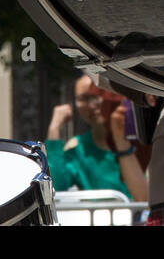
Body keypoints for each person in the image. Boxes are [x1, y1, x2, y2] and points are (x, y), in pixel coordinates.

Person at [45, 74, 147, 203]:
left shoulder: (142, 138)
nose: (93, 104)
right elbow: (55, 189)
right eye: (84, 98)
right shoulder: (77, 149)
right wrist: (54, 129)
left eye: (99, 95)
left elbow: (145, 198)